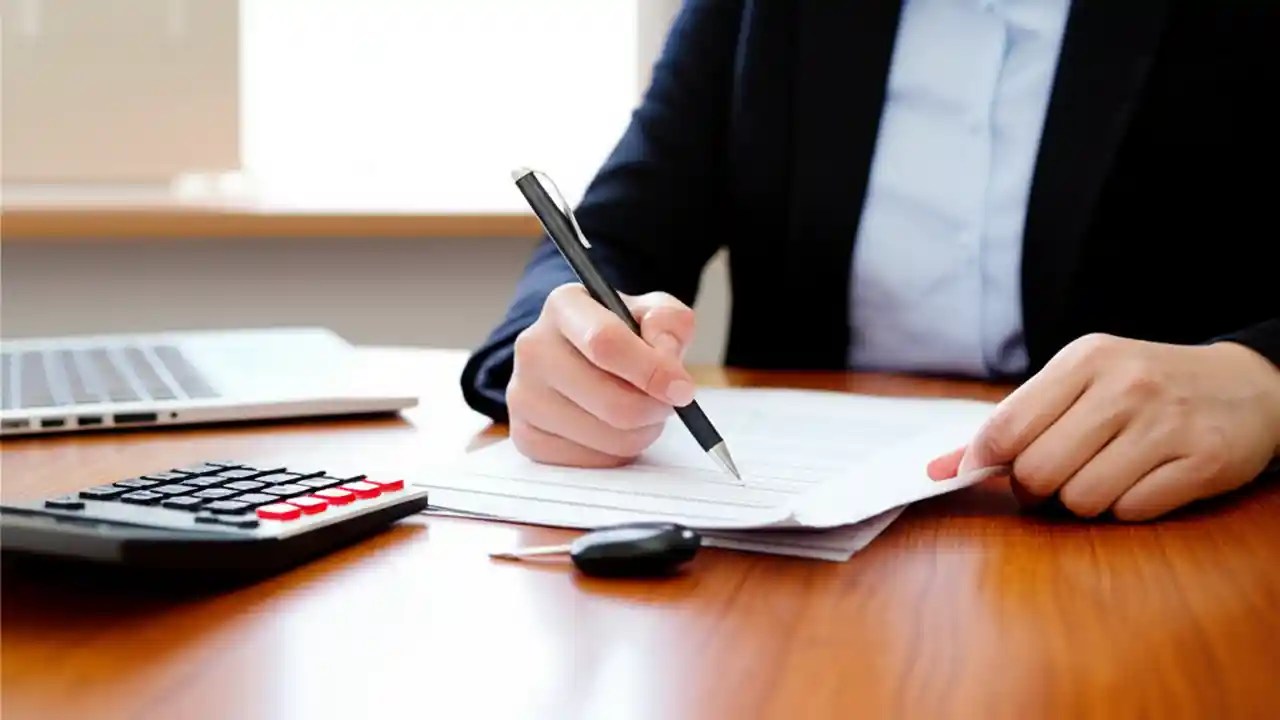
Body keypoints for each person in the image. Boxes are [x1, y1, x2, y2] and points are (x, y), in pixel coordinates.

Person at [461, 0, 1280, 521]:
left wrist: (1264, 380)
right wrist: (565, 347)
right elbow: (608, 239)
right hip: (786, 561)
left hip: (1158, 533)